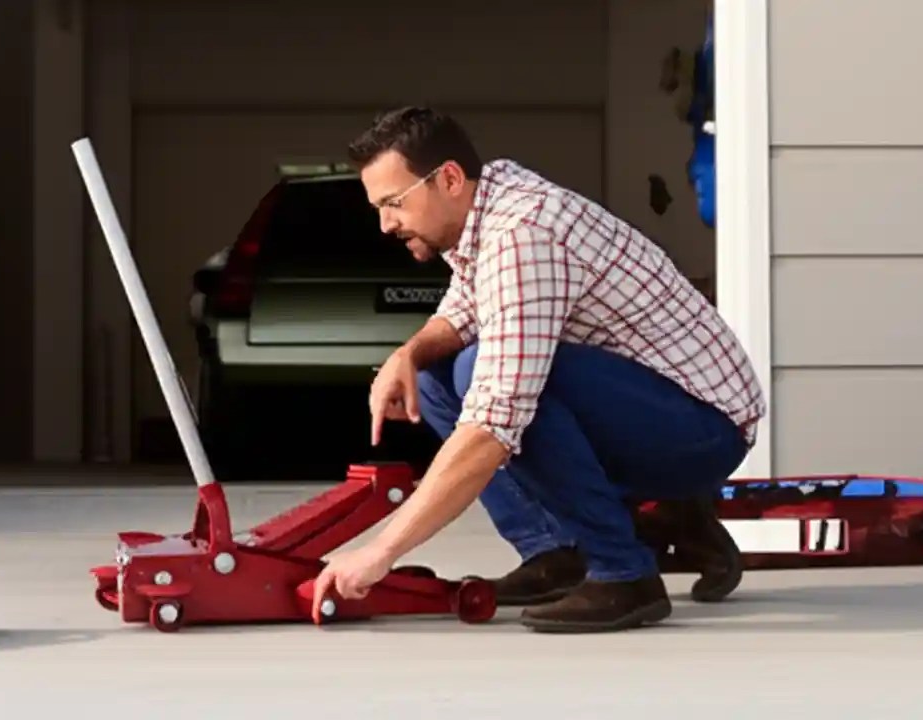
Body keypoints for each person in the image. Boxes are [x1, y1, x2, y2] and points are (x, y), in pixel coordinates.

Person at [311, 106, 767, 633]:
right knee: (437, 377)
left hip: (707, 427)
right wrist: (406, 356)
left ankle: (625, 573)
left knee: (498, 378)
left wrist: (380, 552)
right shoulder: (487, 207)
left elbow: (493, 424)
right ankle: (560, 553)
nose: (386, 224)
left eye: (393, 204)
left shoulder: (523, 234)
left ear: (450, 179)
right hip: (656, 406)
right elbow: (465, 311)